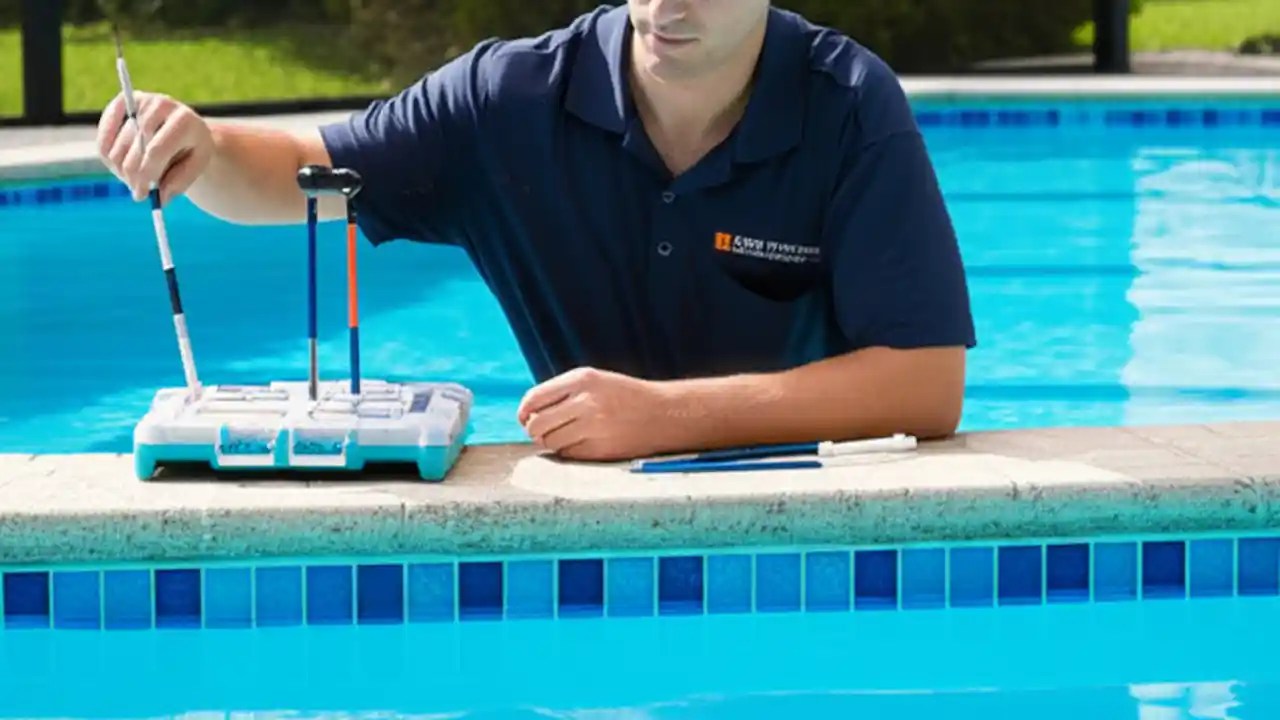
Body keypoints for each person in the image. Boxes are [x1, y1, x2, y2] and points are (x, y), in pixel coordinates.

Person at [96, 0, 976, 462]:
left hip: (809, 544)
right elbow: (306, 172)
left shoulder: (851, 106)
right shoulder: (508, 102)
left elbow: (926, 385)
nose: (666, 5)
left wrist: (665, 418)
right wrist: (201, 150)